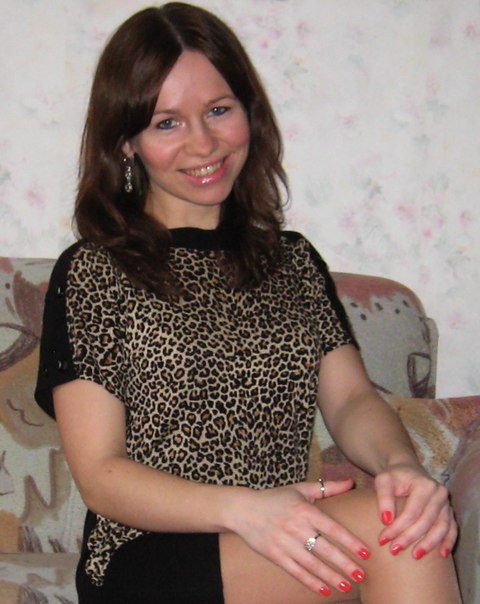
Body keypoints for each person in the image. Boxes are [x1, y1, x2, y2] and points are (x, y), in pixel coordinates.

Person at [35, 3, 462, 603]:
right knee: (399, 537)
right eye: (166, 123)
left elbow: (352, 400)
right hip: (149, 554)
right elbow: (102, 476)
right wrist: (248, 511)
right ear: (127, 142)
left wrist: (402, 468)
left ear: (248, 112)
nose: (203, 142)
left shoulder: (292, 263)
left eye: (218, 110)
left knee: (407, 518)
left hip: (281, 542)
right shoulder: (95, 271)